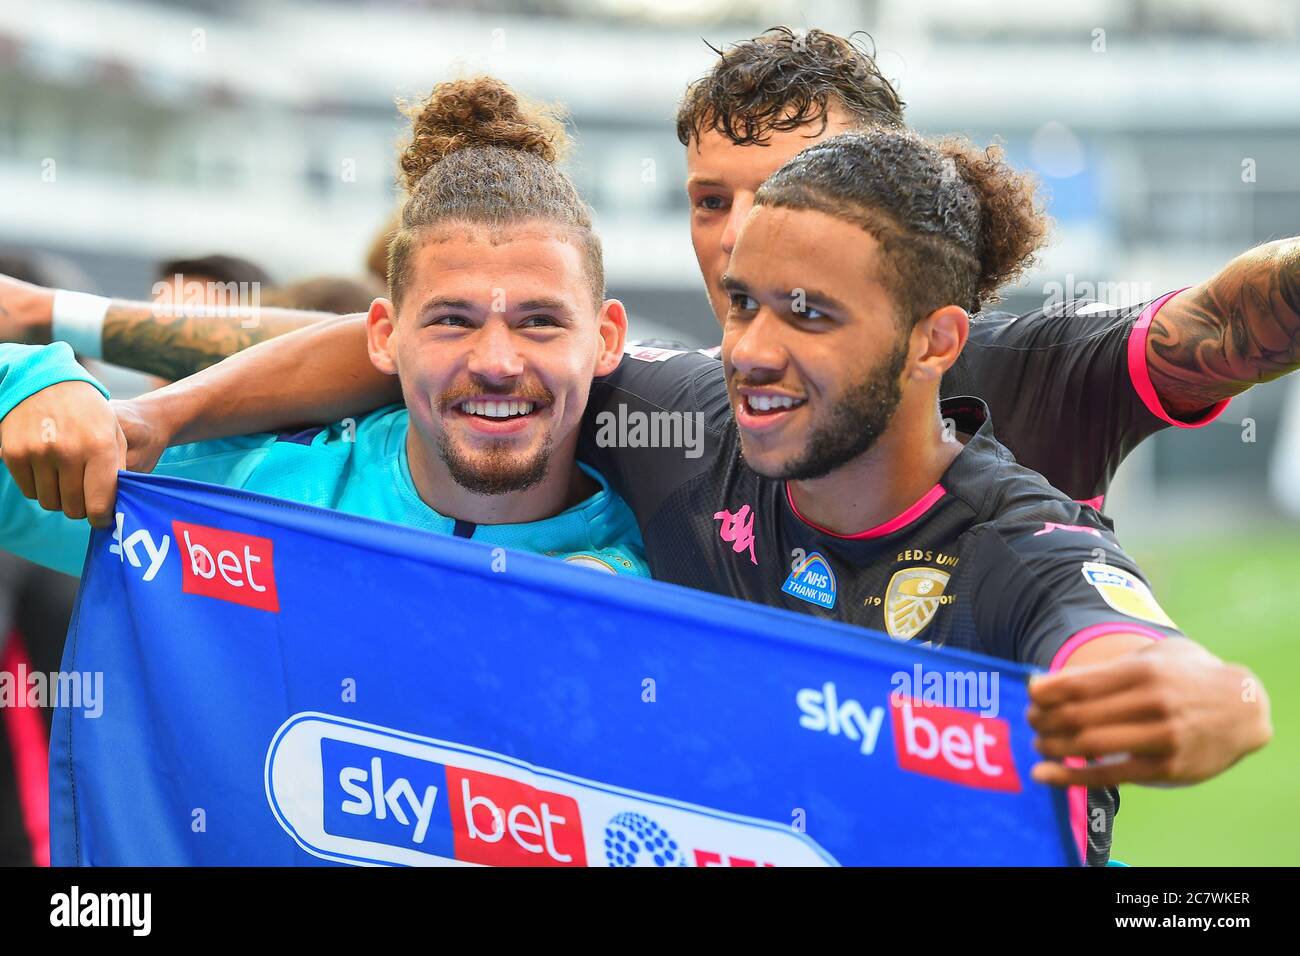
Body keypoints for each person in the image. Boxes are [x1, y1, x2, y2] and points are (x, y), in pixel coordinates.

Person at [5, 121, 1273, 865]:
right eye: (741, 303)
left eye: (810, 315)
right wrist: (99, 396)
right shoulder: (687, 421)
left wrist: (1208, 691)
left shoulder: (1007, 540)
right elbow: (404, 341)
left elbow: (1118, 632)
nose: (757, 348)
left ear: (938, 340)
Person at [1, 28, 1296, 506]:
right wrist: (84, 349)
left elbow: (1233, 313)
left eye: (796, 195)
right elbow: (383, 349)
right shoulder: (662, 397)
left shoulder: (1021, 371)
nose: (742, 239)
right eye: (713, 201)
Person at [0, 78, 645, 582]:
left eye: (540, 322)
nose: (497, 361)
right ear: (384, 336)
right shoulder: (248, 491)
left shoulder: (672, 561)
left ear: (607, 337)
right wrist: (31, 381)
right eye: (452, 320)